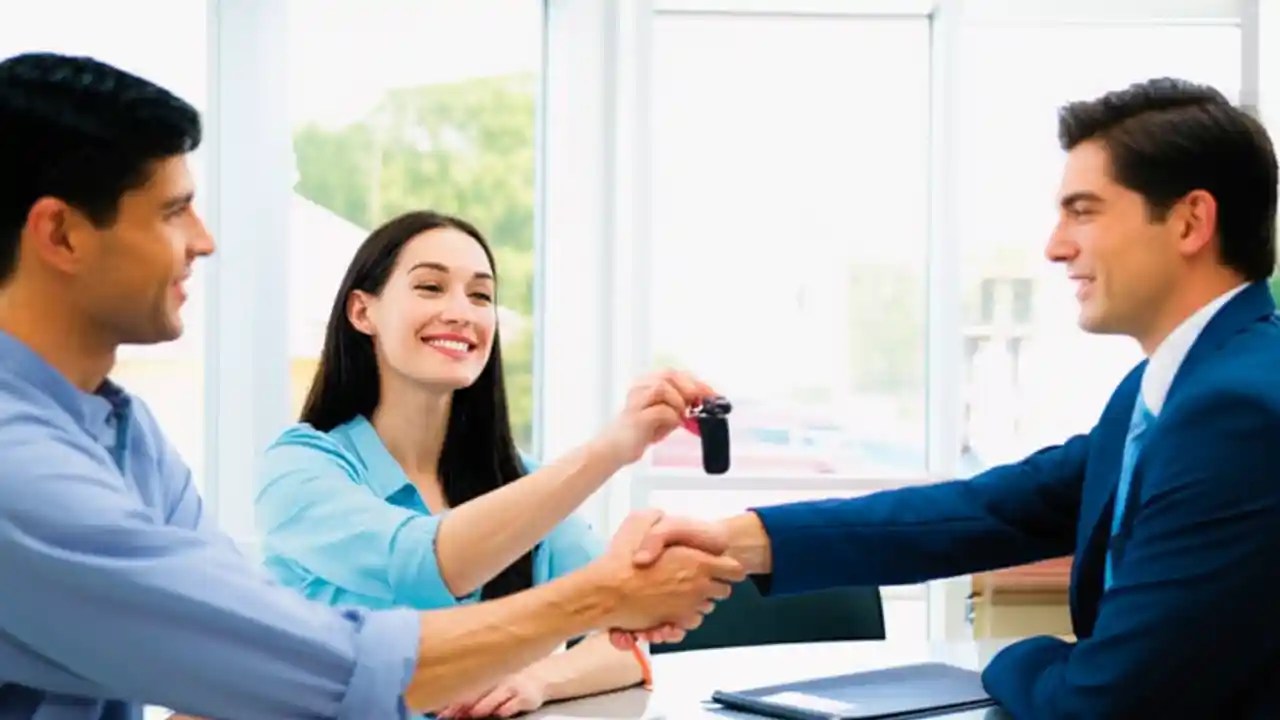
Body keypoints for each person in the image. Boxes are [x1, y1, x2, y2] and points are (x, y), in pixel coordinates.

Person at [0, 51, 744, 720]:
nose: (205, 238)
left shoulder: (126, 437)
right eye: (172, 210)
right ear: (60, 234)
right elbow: (312, 657)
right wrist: (602, 586)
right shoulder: (22, 464)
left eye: (481, 294)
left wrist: (548, 669)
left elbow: (236, 620)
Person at [617, 78, 1280, 719]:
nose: (1055, 246)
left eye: (1083, 211)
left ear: (1191, 221)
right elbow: (993, 511)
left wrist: (1010, 658)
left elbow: (1100, 701)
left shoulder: (1238, 412)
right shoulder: (1171, 387)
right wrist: (733, 542)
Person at [255, 210, 692, 718]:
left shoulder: (518, 483)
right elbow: (423, 563)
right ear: (362, 312)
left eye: (480, 295)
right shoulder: (300, 469)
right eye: (431, 287)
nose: (461, 312)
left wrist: (535, 679)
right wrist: (612, 449)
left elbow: (626, 642)